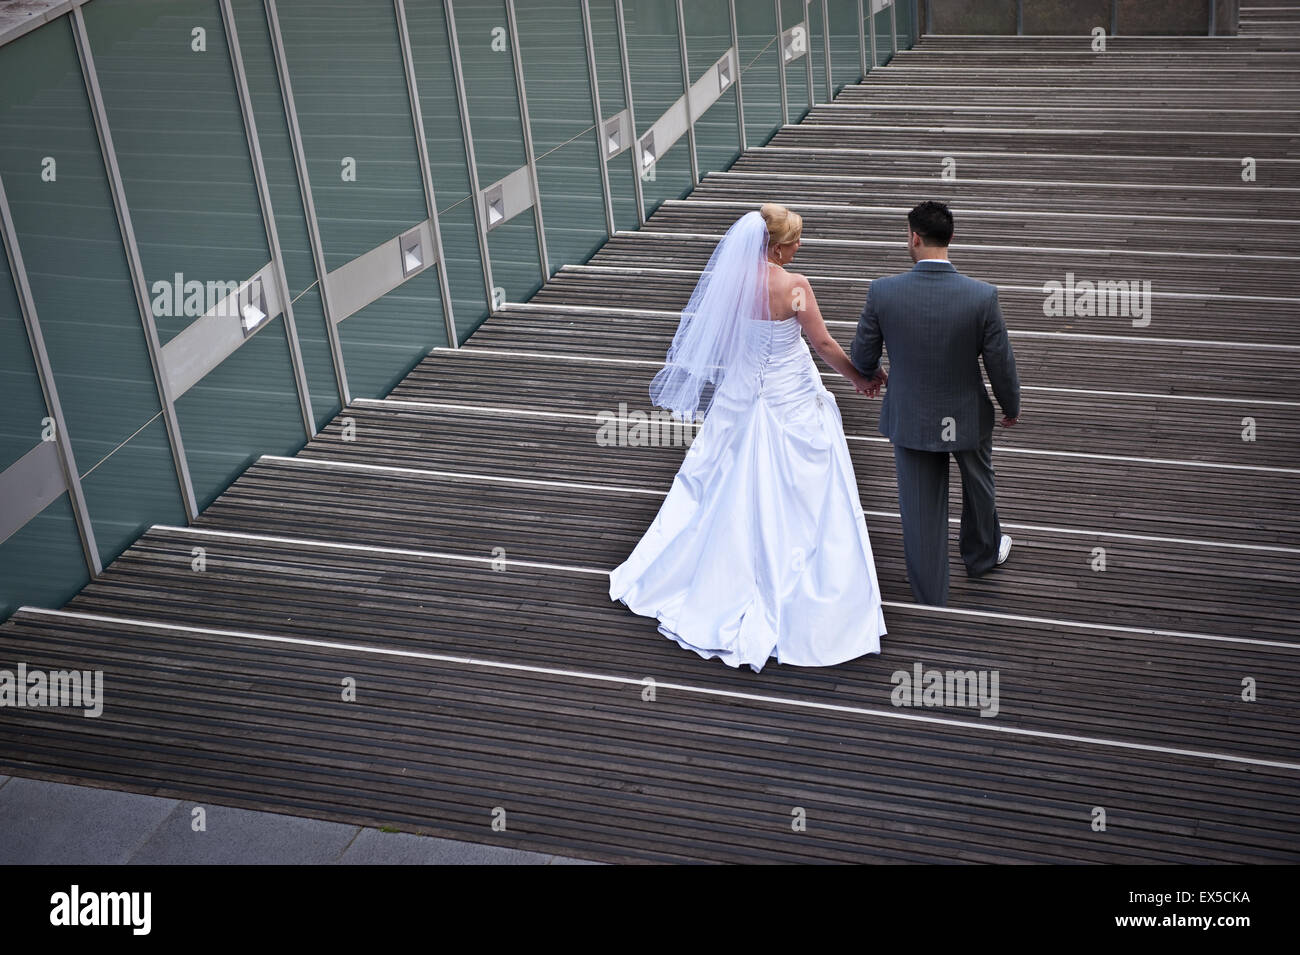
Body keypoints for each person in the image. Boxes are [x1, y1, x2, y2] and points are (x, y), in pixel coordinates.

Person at [609, 203, 886, 672]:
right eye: (796, 241)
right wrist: (860, 377)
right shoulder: (793, 287)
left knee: (720, 479)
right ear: (778, 247)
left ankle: (710, 573)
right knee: (801, 486)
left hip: (741, 392)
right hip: (788, 394)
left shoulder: (732, 279)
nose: (800, 247)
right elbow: (821, 343)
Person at [850, 200, 1021, 607]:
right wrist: (1009, 405)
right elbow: (1001, 362)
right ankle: (981, 557)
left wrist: (872, 375)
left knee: (920, 505)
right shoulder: (982, 297)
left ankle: (931, 593)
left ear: (913, 237)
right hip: (966, 415)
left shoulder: (883, 291)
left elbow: (862, 358)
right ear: (952, 239)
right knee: (980, 485)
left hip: (911, 417)